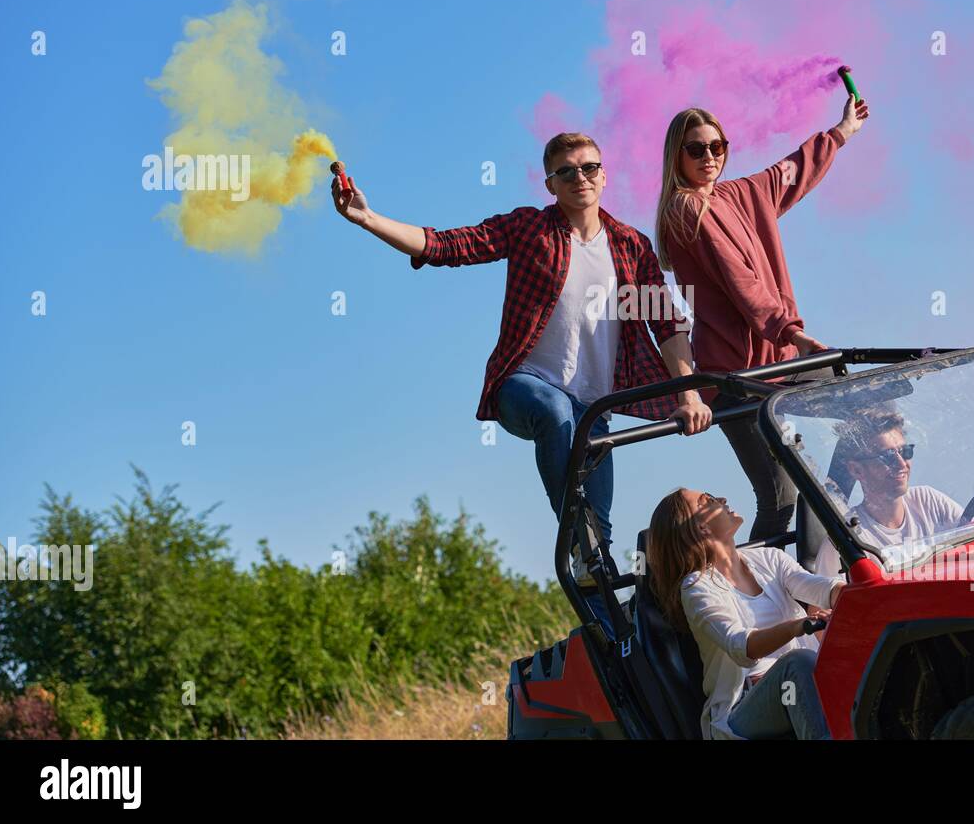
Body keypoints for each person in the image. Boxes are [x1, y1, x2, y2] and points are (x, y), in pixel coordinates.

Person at [330, 133, 713, 589]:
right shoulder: (531, 228)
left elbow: (666, 324)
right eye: (566, 172)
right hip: (523, 387)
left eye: (589, 167)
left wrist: (688, 396)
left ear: (603, 176)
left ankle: (604, 623)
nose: (580, 178)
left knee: (598, 551)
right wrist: (367, 218)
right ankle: (579, 539)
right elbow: (446, 246)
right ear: (551, 185)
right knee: (555, 418)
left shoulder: (630, 247)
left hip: (593, 410)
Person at [654, 94, 870, 564]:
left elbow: (790, 171)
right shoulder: (685, 210)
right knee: (778, 500)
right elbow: (741, 283)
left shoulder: (740, 194)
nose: (710, 156)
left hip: (782, 361)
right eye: (696, 149)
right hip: (736, 376)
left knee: (866, 412)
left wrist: (841, 132)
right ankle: (765, 596)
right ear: (677, 156)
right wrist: (791, 332)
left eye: (718, 146)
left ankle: (826, 515)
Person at [646, 488, 844, 740]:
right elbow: (741, 646)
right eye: (708, 500)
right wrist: (799, 626)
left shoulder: (769, 558)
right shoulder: (696, 587)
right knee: (798, 663)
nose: (723, 499)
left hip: (808, 679)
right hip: (746, 705)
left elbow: (819, 587)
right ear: (701, 528)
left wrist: (857, 590)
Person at [813, 409, 974, 575]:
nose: (901, 464)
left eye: (905, 452)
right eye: (887, 457)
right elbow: (823, 614)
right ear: (857, 470)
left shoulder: (928, 500)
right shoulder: (846, 537)